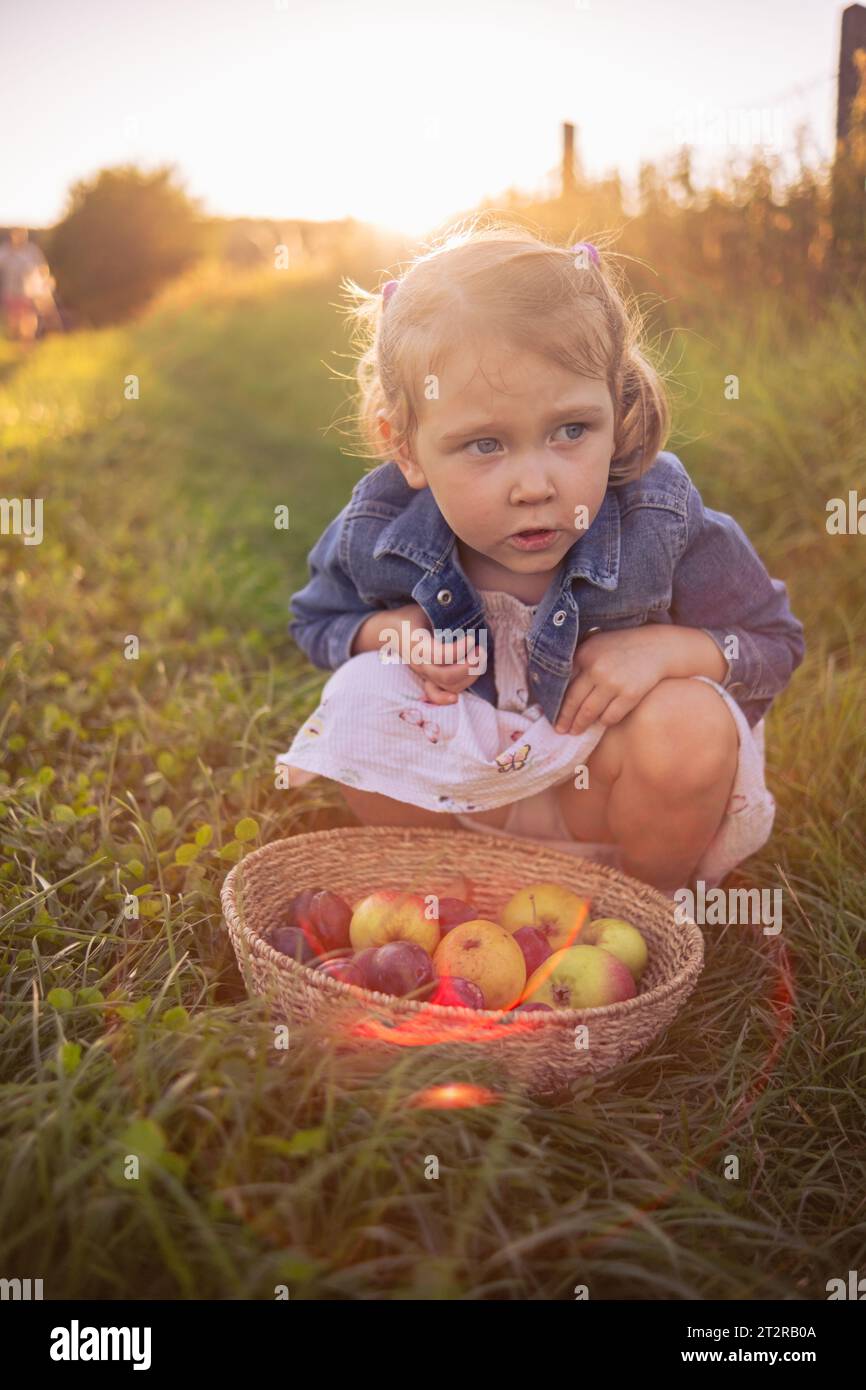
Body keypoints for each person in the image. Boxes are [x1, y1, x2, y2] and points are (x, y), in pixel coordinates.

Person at [276, 222, 805, 896]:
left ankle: (640, 907)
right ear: (405, 446)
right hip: (467, 792)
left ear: (618, 409)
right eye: (485, 445)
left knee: (688, 721)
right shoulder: (380, 525)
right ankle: (458, 894)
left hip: (609, 794)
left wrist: (669, 651)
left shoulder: (658, 514)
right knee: (357, 697)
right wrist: (391, 635)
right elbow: (318, 620)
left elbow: (773, 641)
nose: (534, 485)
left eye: (571, 431)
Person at [0, 227, 50, 342]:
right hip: (10, 291)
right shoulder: (5, 251)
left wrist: (44, 282)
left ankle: (28, 340)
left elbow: (42, 267)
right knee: (13, 321)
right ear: (12, 236)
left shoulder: (32, 251)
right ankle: (17, 337)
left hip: (28, 292)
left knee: (28, 318)